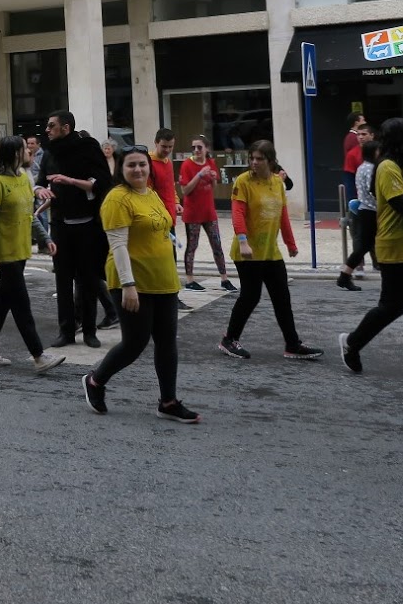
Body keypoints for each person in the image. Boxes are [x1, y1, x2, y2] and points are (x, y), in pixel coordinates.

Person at [81, 147, 200, 423]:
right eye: (131, 165)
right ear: (121, 169)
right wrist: (128, 285)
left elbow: (163, 232)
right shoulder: (117, 198)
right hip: (133, 282)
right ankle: (95, 381)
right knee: (135, 343)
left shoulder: (152, 193)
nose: (138, 170)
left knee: (167, 342)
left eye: (142, 165)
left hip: (164, 280)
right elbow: (118, 245)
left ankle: (168, 402)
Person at [337, 118, 403, 377]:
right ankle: (352, 342)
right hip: (396, 247)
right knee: (392, 306)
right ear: (402, 139)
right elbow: (402, 205)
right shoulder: (386, 167)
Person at [218, 141, 321, 361]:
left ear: (271, 161)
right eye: (252, 158)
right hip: (247, 252)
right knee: (250, 296)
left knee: (282, 298)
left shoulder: (277, 183)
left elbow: (282, 215)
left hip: (270, 252)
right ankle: (229, 339)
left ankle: (292, 345)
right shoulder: (243, 181)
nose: (254, 163)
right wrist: (243, 240)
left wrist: (291, 244)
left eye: (259, 159)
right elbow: (237, 213)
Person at [0, 136, 64, 373]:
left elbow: (30, 215)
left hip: (22, 250)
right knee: (21, 304)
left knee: (2, 302)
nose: (29, 152)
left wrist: (45, 238)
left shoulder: (24, 179)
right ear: (15, 153)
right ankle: (38, 355)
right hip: (6, 253)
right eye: (25, 149)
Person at [39, 111, 116, 346]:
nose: (47, 130)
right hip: (60, 225)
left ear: (66, 127)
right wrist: (39, 190)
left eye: (52, 126)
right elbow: (41, 180)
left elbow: (102, 181)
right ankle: (67, 331)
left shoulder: (88, 147)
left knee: (89, 279)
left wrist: (71, 181)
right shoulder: (50, 151)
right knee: (62, 281)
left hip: (88, 225)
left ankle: (90, 331)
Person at [179, 135, 234, 292]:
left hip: (209, 212)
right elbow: (185, 190)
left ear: (206, 149)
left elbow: (213, 187)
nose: (196, 150)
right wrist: (199, 175)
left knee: (217, 244)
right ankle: (190, 280)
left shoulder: (211, 163)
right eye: (193, 147)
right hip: (193, 213)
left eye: (199, 147)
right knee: (192, 246)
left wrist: (213, 178)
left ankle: (224, 278)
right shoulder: (187, 165)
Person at [338, 140, 377, 292]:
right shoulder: (370, 169)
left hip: (365, 209)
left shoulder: (362, 167)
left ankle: (345, 275)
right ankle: (344, 276)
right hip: (371, 210)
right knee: (367, 245)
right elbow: (372, 189)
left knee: (364, 245)